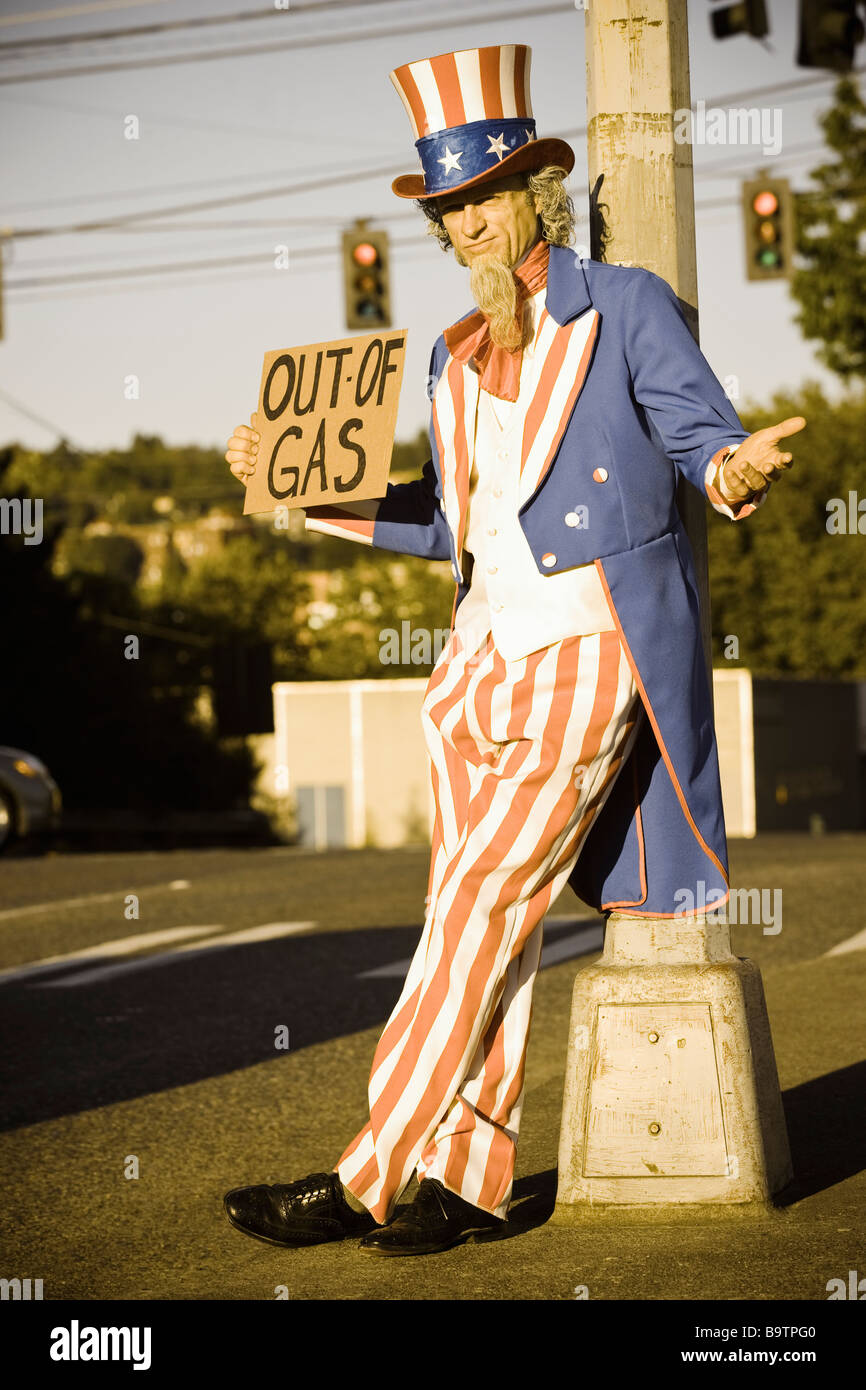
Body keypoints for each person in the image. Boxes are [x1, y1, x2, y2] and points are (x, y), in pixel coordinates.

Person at [221, 43, 805, 1258]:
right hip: (475, 662)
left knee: (474, 910)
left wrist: (732, 468)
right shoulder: (444, 356)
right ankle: (472, 1179)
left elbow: (702, 435)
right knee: (482, 923)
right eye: (446, 209)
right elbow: (448, 515)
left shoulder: (624, 304)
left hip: (589, 649)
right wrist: (301, 491)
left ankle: (367, 1174)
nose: (465, 223)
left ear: (534, 193)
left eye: (483, 197)